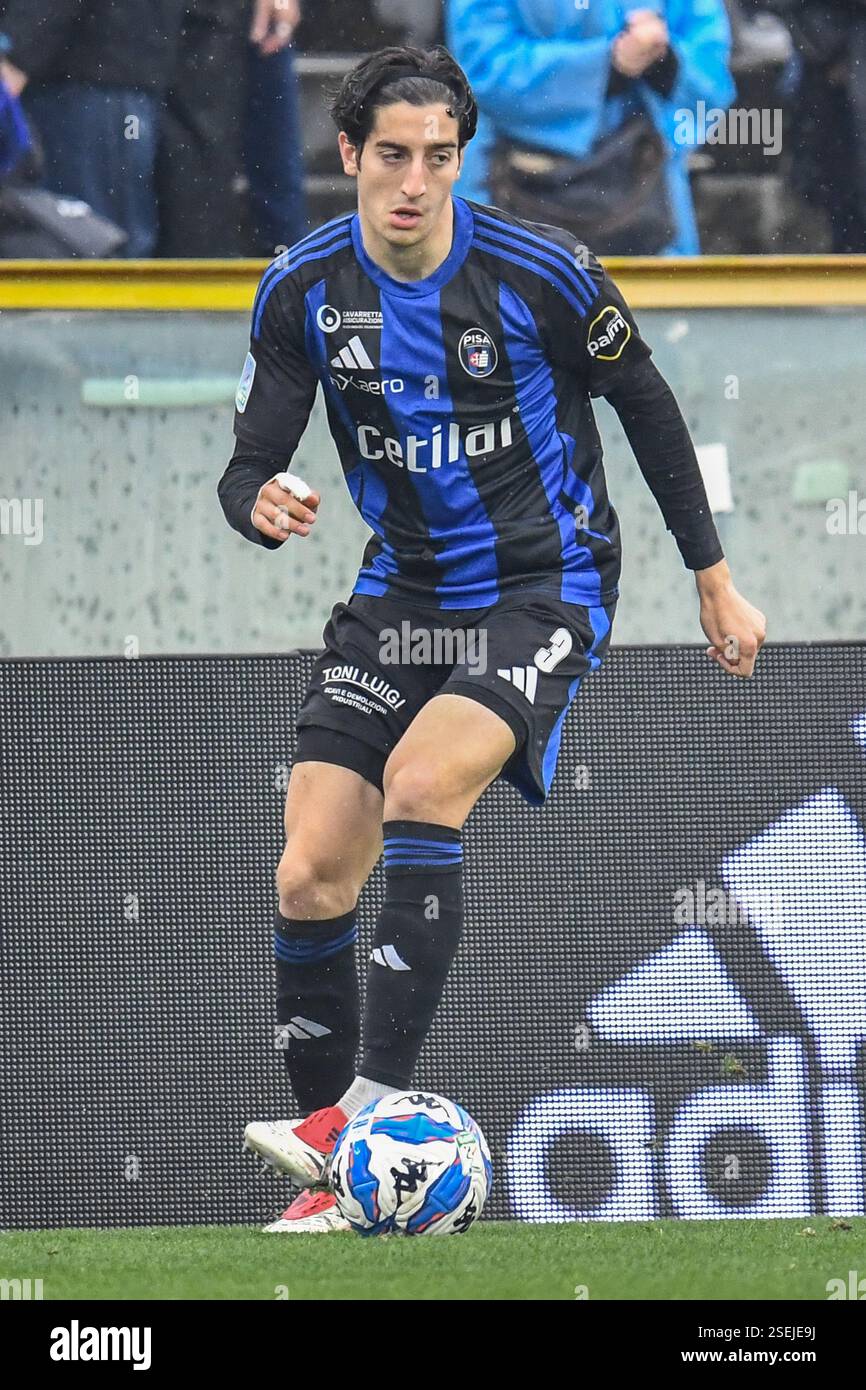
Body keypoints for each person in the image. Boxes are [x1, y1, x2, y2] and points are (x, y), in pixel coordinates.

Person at [218, 43, 766, 1233]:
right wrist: (257, 502)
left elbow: (648, 408)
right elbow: (250, 461)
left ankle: (361, 1115)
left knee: (421, 782)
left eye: (441, 158)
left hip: (543, 581)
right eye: (394, 156)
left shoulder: (542, 274)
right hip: (400, 590)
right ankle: (332, 1194)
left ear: (460, 160)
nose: (417, 182)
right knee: (309, 867)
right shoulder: (302, 289)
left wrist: (712, 583)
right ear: (349, 156)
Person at [446, 0, 735, 255]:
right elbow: (481, 69)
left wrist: (664, 59)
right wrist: (607, 65)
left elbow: (712, 72)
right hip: (513, 189)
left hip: (647, 200)